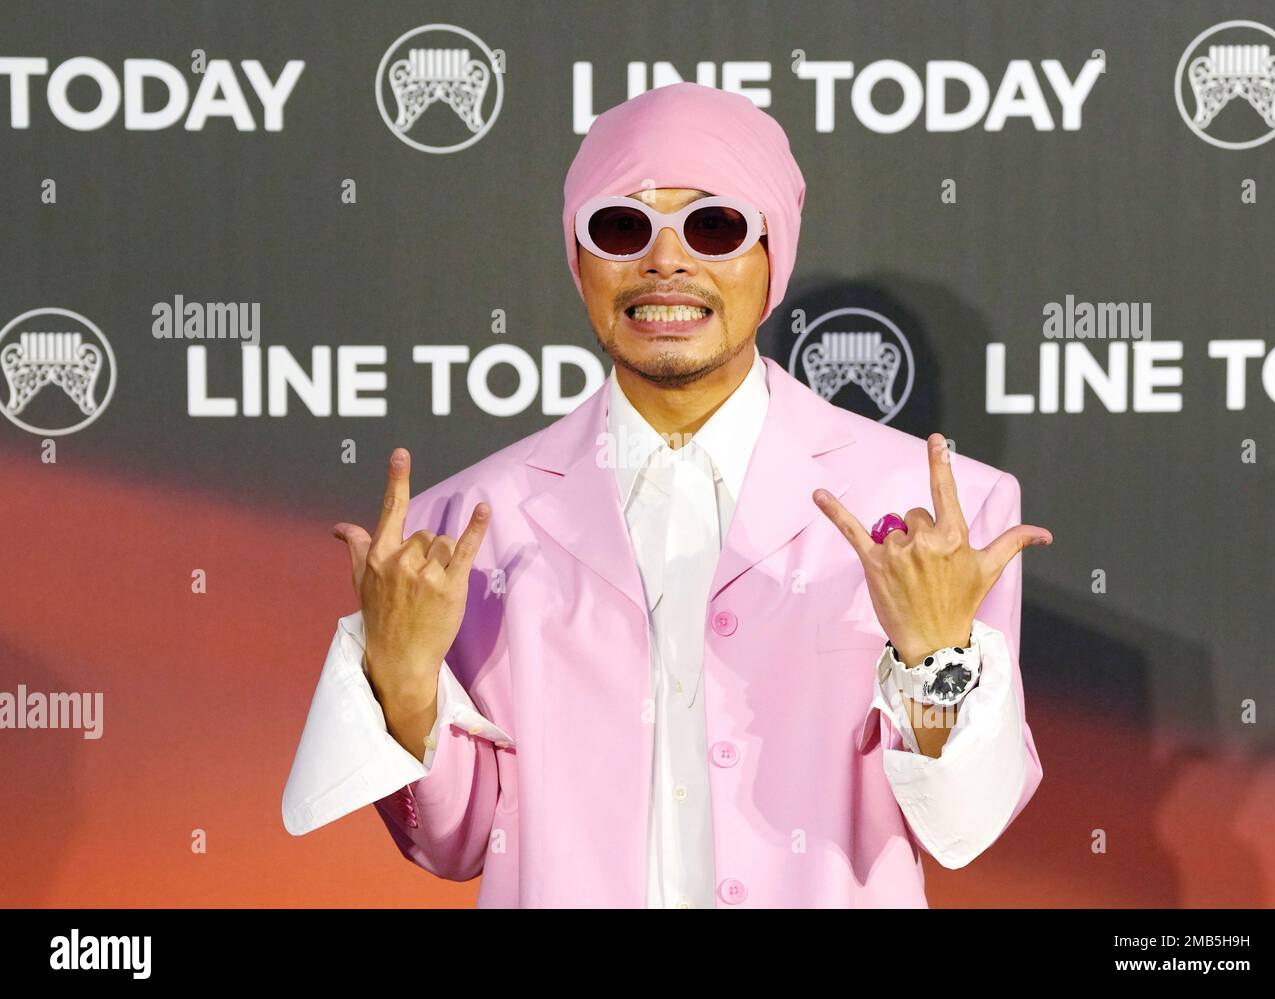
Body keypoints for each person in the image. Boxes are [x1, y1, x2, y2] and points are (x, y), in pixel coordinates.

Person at [282, 82, 1051, 908]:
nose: (667, 261)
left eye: (713, 226)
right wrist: (399, 680)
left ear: (772, 260)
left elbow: (961, 825)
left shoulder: (943, 514)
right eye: (623, 227)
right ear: (579, 265)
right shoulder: (463, 527)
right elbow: (450, 842)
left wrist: (934, 655)